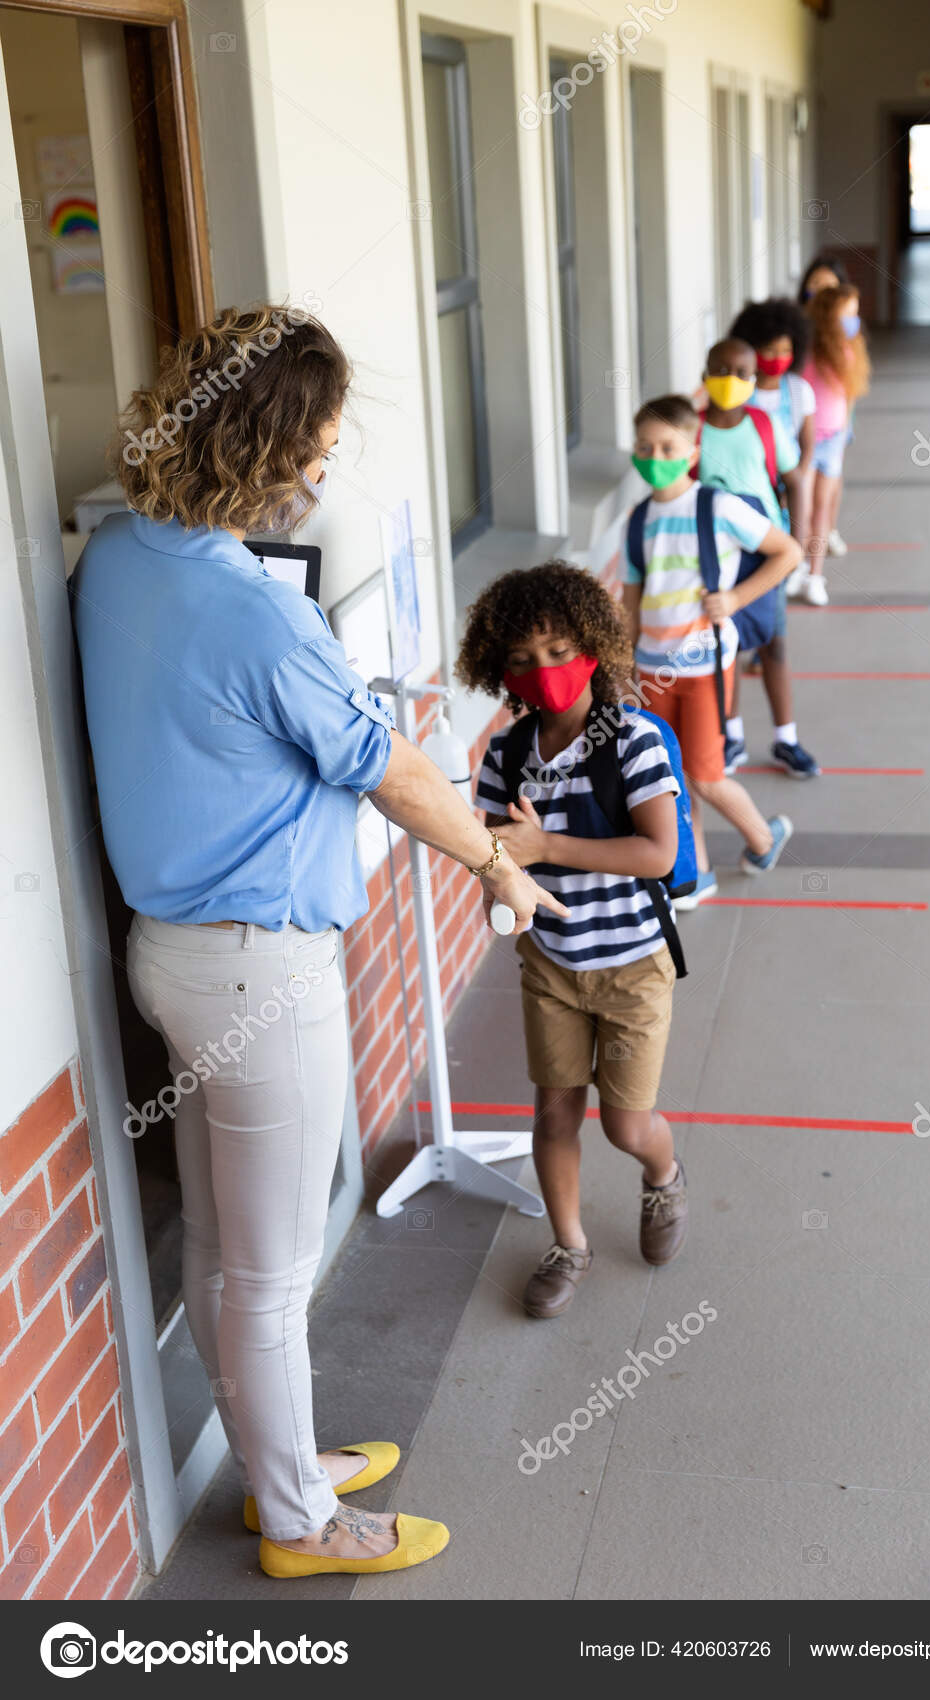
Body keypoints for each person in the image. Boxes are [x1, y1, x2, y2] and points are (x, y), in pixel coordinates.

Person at [71, 303, 566, 1580]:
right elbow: (395, 772)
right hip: (255, 970)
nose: (324, 468)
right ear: (268, 437)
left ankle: (277, 1466)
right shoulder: (256, 615)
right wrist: (503, 862)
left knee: (237, 1251)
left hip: (174, 954)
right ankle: (296, 1520)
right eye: (321, 441)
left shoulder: (121, 553)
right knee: (269, 1269)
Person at [458, 563, 687, 1318]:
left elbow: (654, 854)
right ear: (499, 671)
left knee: (625, 1124)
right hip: (550, 964)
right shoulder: (504, 755)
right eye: (521, 660)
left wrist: (546, 847)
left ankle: (662, 1176)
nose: (544, 672)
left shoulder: (634, 738)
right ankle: (568, 1244)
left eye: (558, 650)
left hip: (631, 968)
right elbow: (494, 850)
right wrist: (499, 871)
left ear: (592, 643)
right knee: (553, 1111)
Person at [621, 394, 801, 905]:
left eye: (667, 447)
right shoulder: (637, 521)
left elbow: (786, 552)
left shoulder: (717, 507)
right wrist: (622, 667)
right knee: (669, 777)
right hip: (652, 672)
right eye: (644, 448)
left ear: (692, 449)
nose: (654, 458)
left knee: (705, 775)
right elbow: (630, 605)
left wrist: (737, 598)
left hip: (704, 667)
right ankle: (695, 873)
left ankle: (763, 838)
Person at [702, 318, 820, 780]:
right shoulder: (693, 433)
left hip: (767, 549)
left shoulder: (765, 425)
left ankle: (786, 738)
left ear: (754, 381)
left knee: (774, 645)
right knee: (722, 647)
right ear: (705, 373)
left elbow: (793, 479)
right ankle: (731, 735)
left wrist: (804, 538)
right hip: (713, 556)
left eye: (741, 372)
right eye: (722, 369)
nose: (731, 380)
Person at [798, 285, 871, 605]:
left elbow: (849, 397)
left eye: (855, 314)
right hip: (807, 442)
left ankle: (815, 575)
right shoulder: (807, 354)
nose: (854, 321)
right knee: (804, 509)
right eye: (847, 314)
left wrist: (844, 432)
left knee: (822, 511)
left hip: (834, 442)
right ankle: (797, 567)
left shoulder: (849, 350)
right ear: (828, 317)